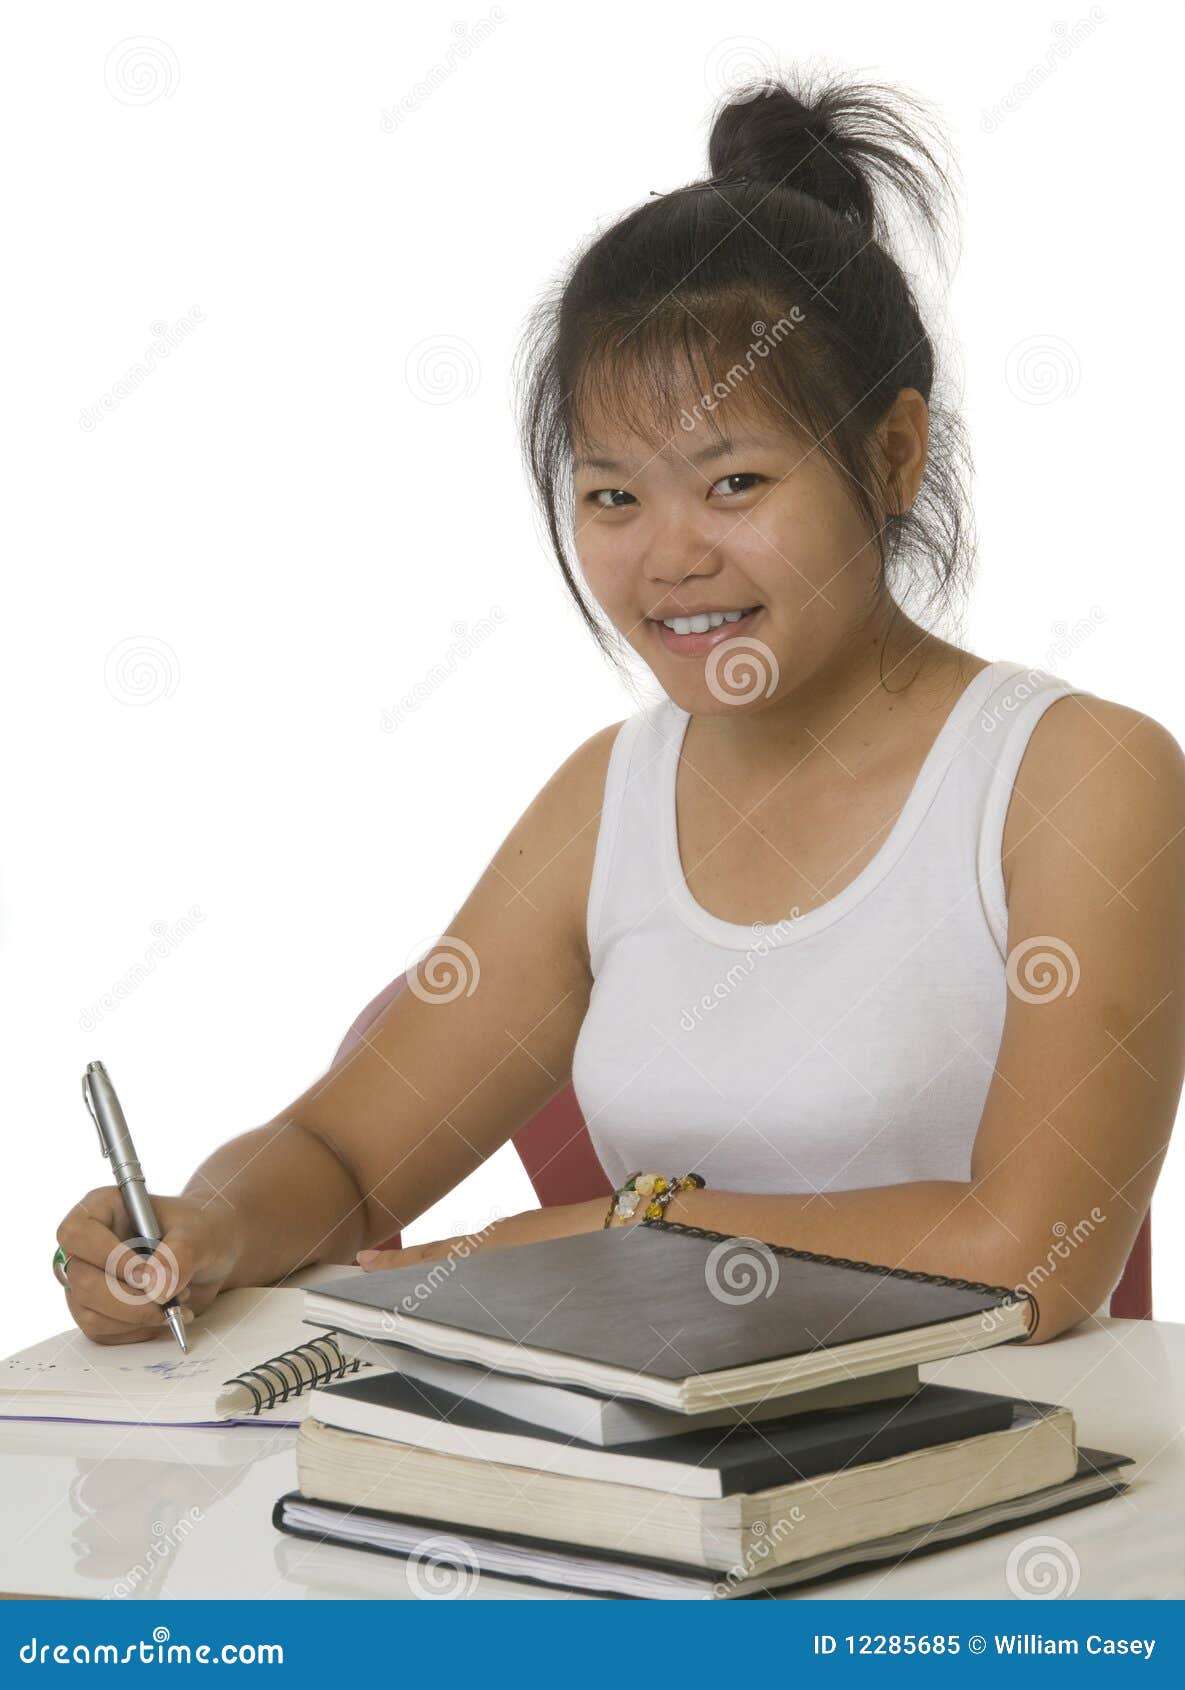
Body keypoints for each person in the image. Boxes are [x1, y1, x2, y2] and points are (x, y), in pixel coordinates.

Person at [56, 72, 1185, 1349]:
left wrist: (633, 1227)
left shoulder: (1078, 774)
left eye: (735, 481)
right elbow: (347, 1157)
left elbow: (1035, 1261)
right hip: (654, 1501)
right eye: (612, 498)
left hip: (1001, 1496)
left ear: (893, 457)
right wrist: (204, 1229)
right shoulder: (613, 795)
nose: (670, 558)